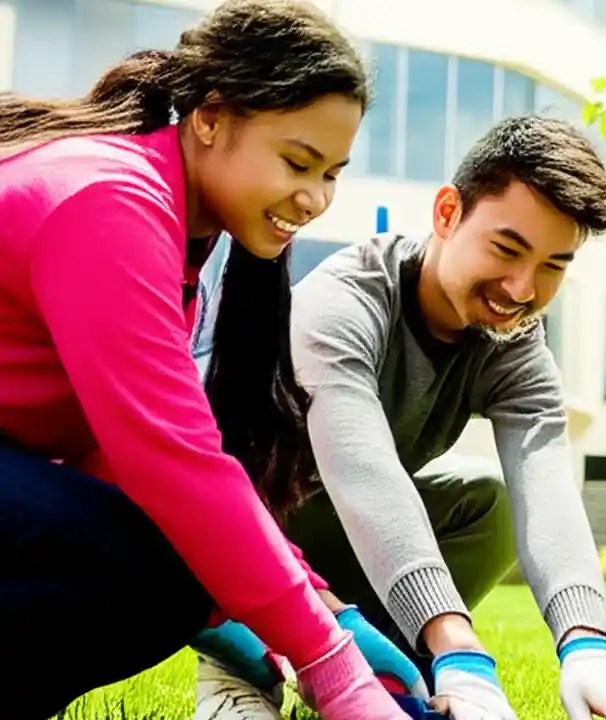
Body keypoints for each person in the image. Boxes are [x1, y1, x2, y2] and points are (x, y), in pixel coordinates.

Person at [0, 0, 410, 719]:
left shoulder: (170, 228)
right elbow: (172, 461)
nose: (314, 198)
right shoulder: (110, 205)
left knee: (165, 563)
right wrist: (329, 662)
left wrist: (319, 603)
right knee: (156, 568)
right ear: (212, 118)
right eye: (297, 161)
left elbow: (118, 453)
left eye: (333, 173)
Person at [191, 115, 606, 720]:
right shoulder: (345, 302)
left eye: (553, 265)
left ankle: (380, 665)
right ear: (447, 214)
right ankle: (239, 667)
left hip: (343, 538)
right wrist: (459, 645)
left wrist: (589, 643)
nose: (521, 288)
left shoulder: (511, 341)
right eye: (507, 248)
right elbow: (363, 472)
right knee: (302, 501)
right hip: (238, 525)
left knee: (484, 505)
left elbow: (545, 479)